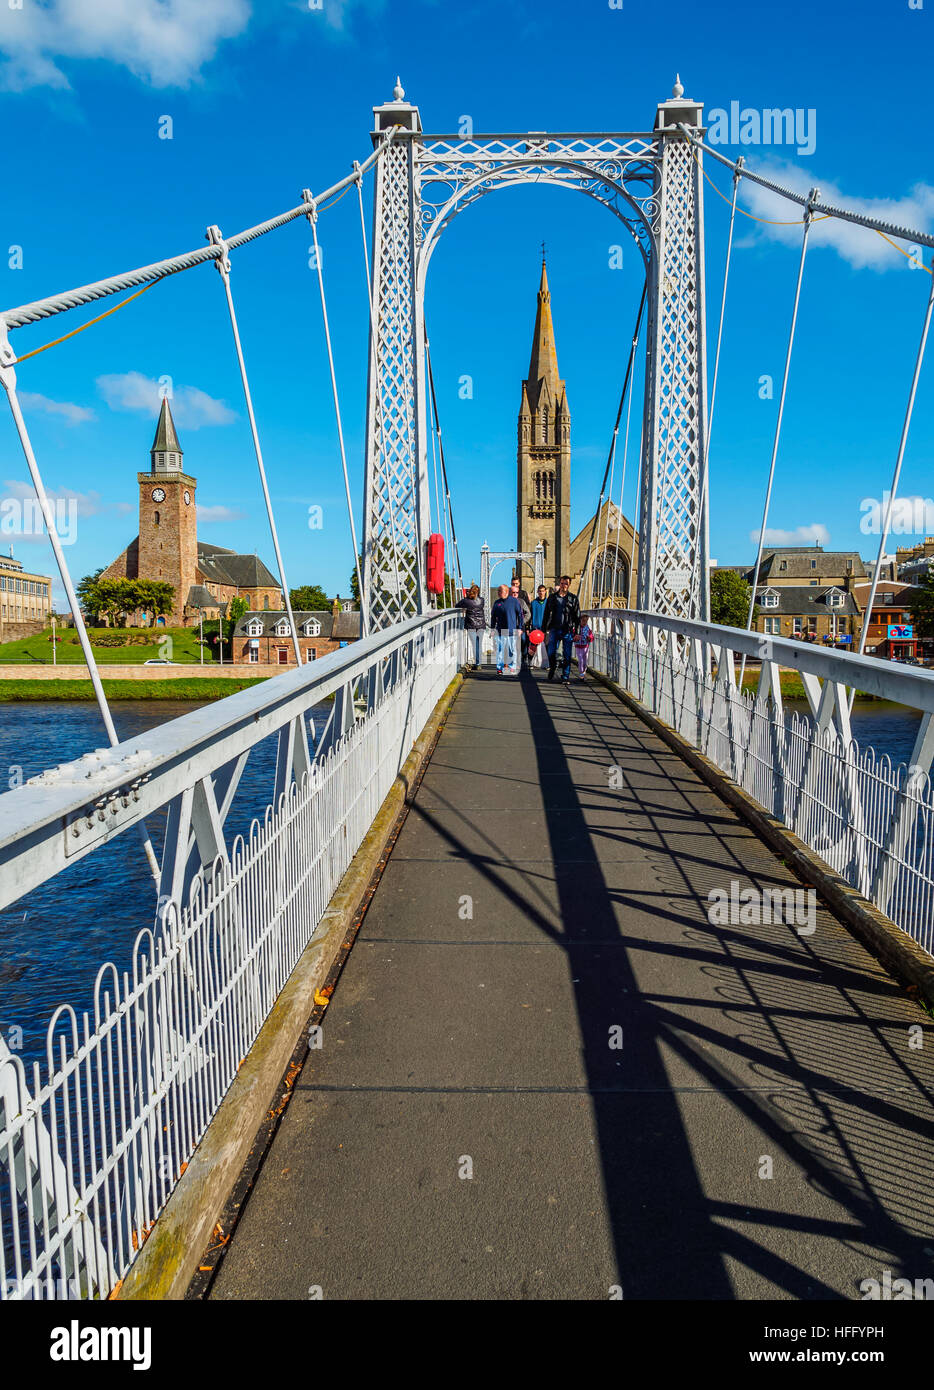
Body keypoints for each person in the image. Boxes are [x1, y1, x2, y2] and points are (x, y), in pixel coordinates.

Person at [542, 574, 581, 684]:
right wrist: (543, 630)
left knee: (567, 654)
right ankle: (553, 666)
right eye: (562, 583)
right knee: (551, 652)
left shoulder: (573, 599)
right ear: (559, 584)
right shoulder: (552, 598)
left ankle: (565, 676)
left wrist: (577, 632)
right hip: (554, 628)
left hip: (567, 630)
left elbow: (577, 616)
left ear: (569, 585)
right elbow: (546, 614)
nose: (563, 585)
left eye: (566, 584)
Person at [489, 583, 523, 675]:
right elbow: (493, 617)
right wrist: (492, 629)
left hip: (512, 630)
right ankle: (499, 668)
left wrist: (520, 628)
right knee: (500, 651)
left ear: (507, 592)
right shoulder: (497, 603)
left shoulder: (514, 601)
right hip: (500, 631)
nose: (498, 592)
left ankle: (512, 667)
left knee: (512, 650)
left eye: (500, 591)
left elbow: (520, 615)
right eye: (498, 591)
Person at [455, 583, 485, 669]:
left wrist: (466, 597)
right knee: (479, 644)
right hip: (481, 625)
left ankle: (477, 663)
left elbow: (457, 606)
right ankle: (479, 663)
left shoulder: (466, 601)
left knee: (474, 644)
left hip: (471, 625)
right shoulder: (482, 600)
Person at [509, 577, 531, 666]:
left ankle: (524, 658)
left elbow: (528, 611)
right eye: (513, 584)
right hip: (510, 626)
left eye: (516, 584)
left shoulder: (523, 596)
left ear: (519, 584)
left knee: (523, 641)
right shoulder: (508, 596)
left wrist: (526, 624)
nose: (515, 585)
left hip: (521, 625)